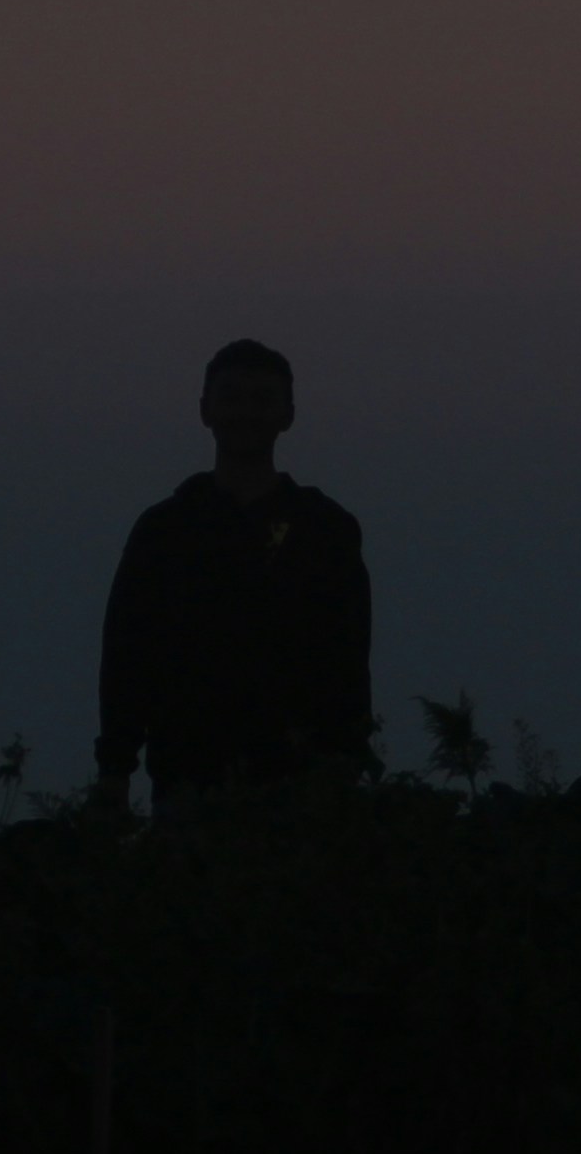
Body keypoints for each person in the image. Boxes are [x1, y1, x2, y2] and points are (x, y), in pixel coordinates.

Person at [95, 339, 375, 808]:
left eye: (262, 399)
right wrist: (114, 769)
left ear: (288, 414)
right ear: (205, 410)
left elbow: (349, 659)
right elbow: (127, 653)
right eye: (232, 397)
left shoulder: (325, 530)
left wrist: (347, 763)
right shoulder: (165, 530)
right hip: (188, 780)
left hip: (303, 786)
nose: (246, 412)